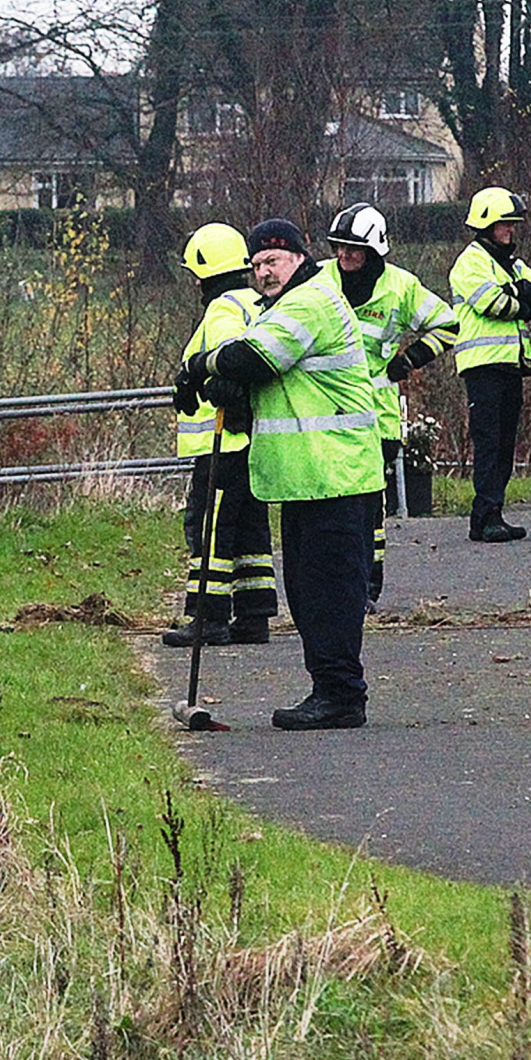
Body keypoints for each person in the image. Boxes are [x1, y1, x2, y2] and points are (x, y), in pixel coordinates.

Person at [178, 219, 385, 731]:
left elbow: (253, 357)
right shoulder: (280, 306)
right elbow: (261, 382)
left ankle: (340, 695)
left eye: (273, 261)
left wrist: (198, 368)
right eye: (256, 264)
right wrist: (218, 387)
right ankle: (330, 689)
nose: (263, 272)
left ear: (299, 257)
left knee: (330, 593)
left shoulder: (310, 300)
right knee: (310, 591)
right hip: (306, 477)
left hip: (334, 474)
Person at [318, 203, 457, 606]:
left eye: (354, 250)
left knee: (367, 508)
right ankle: (335, 583)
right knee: (329, 506)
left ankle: (366, 585)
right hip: (323, 414)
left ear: (375, 251)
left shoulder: (400, 286)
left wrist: (410, 360)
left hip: (376, 417)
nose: (345, 257)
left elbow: (447, 324)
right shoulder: (319, 280)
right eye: (339, 249)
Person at [165, 223, 278, 647]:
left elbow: (231, 360)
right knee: (250, 529)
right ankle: (254, 615)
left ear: (204, 271)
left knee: (209, 528)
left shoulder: (223, 310)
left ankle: (207, 617)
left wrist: (209, 384)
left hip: (222, 445)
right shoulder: (260, 302)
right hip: (253, 444)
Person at [448, 187, 531, 543]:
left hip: (510, 364)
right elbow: (494, 303)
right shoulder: (471, 262)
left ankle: (495, 513)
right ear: (488, 224)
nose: (511, 230)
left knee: (505, 443)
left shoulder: (511, 263)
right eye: (505, 224)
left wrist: (523, 294)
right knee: (489, 443)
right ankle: (484, 516)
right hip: (482, 366)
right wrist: (523, 300)